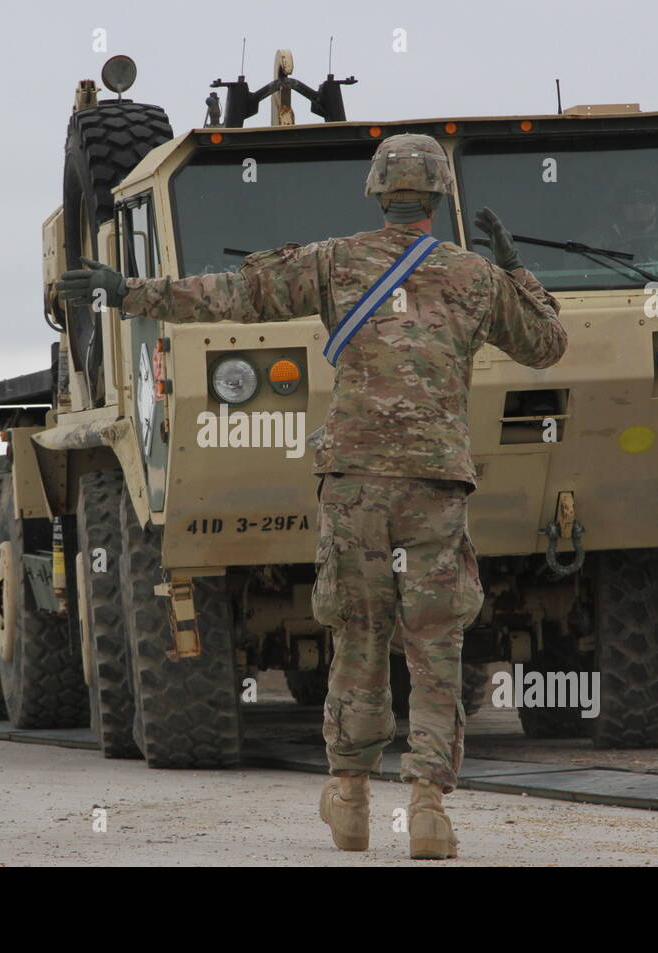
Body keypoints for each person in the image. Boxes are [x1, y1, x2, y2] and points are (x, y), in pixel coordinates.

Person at [57, 133, 566, 859]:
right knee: (436, 645)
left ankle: (351, 800)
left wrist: (127, 291)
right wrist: (516, 269)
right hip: (435, 486)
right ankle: (428, 809)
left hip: (354, 484)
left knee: (358, 637)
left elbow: (233, 296)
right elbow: (547, 345)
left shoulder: (332, 263)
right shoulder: (476, 277)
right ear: (440, 194)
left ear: (377, 191)